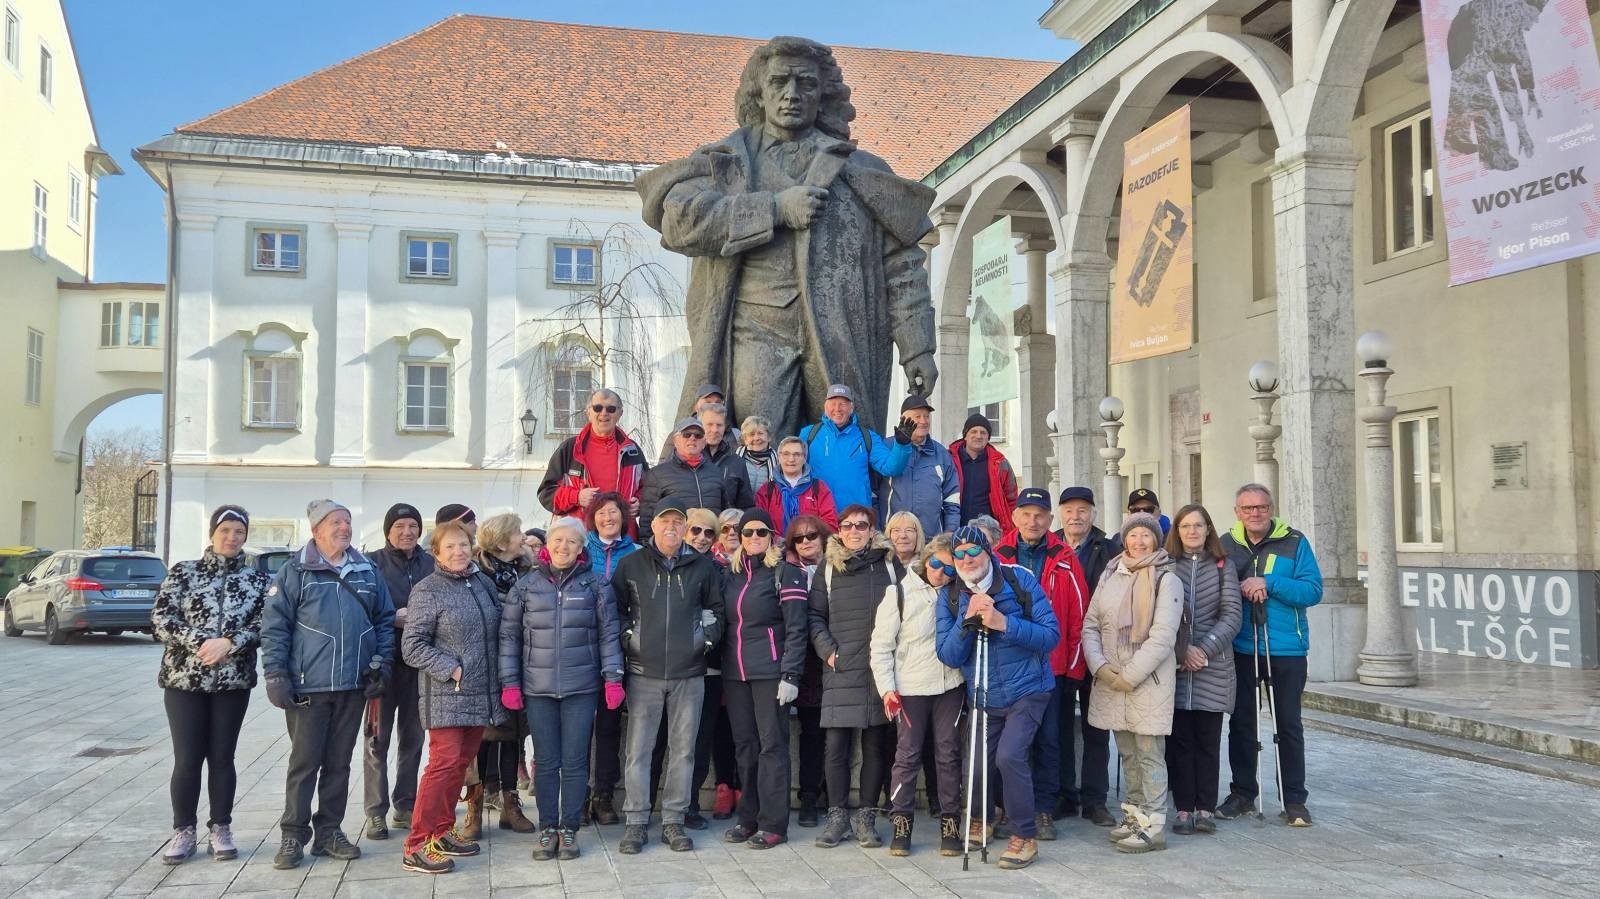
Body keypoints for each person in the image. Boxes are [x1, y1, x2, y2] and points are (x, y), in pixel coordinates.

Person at [636, 36, 939, 440]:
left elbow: (902, 264)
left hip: (842, 331)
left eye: (806, 84)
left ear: (823, 94)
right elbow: (679, 221)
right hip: (755, 327)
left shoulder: (862, 171)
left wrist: (918, 346)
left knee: (848, 451)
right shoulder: (725, 162)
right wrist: (774, 209)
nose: (791, 95)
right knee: (756, 446)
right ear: (759, 92)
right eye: (779, 82)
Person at [262, 500, 395, 870]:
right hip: (308, 687)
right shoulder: (295, 571)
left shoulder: (367, 569)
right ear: (316, 529)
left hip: (354, 685)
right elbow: (275, 627)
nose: (344, 527)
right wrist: (275, 674)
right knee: (304, 763)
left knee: (338, 764)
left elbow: (385, 620)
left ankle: (329, 832)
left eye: (348, 521)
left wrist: (381, 664)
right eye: (336, 521)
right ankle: (292, 834)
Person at [499, 517, 625, 861]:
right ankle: (547, 829)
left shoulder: (597, 586)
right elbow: (509, 638)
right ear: (546, 545)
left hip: (581, 688)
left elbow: (609, 635)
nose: (563, 547)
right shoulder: (525, 586)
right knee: (547, 760)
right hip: (537, 690)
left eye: (571, 541)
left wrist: (613, 678)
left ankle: (569, 827)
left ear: (582, 547)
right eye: (557, 540)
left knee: (574, 762)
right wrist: (510, 683)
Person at [935, 525, 1059, 870]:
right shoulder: (951, 596)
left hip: (1028, 689)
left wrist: (1004, 622)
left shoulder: (1018, 580)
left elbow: (1051, 636)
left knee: (1009, 757)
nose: (966, 559)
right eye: (958, 554)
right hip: (984, 693)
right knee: (975, 761)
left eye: (973, 552)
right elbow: (948, 655)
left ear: (988, 551)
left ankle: (1024, 835)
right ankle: (982, 817)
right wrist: (967, 620)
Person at [152, 505, 270, 865]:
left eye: (239, 532)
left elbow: (266, 622)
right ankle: (183, 829)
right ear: (212, 533)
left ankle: (221, 827)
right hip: (184, 680)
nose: (232, 538)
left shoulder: (257, 580)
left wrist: (231, 643)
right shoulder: (184, 573)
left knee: (222, 757)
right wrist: (200, 642)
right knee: (187, 758)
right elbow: (160, 618)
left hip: (232, 683)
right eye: (226, 530)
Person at [611, 498, 726, 854]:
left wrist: (703, 642)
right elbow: (617, 611)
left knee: (683, 752)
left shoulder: (702, 567)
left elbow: (717, 610)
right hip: (643, 673)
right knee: (638, 752)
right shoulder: (631, 565)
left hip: (689, 673)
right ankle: (636, 821)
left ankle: (674, 820)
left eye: (679, 522)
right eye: (666, 522)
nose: (672, 528)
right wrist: (630, 640)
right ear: (654, 526)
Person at [397, 520, 507, 875]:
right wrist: (452, 668)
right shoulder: (428, 590)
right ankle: (416, 843)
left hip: (479, 693)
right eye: (450, 547)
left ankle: (442, 832)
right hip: (448, 692)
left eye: (463, 544)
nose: (458, 552)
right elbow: (412, 646)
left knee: (460, 764)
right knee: (442, 766)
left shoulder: (482, 583)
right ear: (437, 553)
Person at [1216, 484, 1322, 827]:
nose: (1255, 513)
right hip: (1243, 646)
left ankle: (1294, 799)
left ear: (1271, 508)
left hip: (1286, 648)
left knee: (1288, 724)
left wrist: (1270, 583)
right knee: (1242, 724)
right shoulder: (1225, 544)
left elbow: (1312, 590)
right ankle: (1243, 792)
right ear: (1237, 512)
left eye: (1261, 507)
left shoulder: (1295, 541)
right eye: (1247, 508)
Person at [1080, 513, 1184, 853]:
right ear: (1124, 539)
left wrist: (1131, 674)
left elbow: (1163, 635)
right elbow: (1090, 625)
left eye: (1146, 536)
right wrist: (1101, 667)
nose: (1139, 542)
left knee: (1149, 752)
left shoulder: (1166, 578)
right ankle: (1135, 816)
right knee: (1126, 753)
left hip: (1147, 680)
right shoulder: (1111, 573)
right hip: (1112, 678)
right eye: (1133, 535)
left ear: (1156, 540)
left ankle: (1153, 824)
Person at [994, 488, 1090, 842]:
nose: (1032, 521)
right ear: (1015, 517)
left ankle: (1045, 808)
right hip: (1010, 667)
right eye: (1026, 514)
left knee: (1050, 740)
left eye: (1040, 515)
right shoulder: (998, 555)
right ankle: (1007, 806)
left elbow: (1079, 615)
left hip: (1052, 667)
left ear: (1050, 520)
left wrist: (1076, 668)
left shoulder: (1064, 556)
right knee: (1010, 744)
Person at [870, 533, 965, 858]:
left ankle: (951, 822)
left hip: (950, 685)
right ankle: (902, 823)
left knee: (949, 754)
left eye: (950, 568)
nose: (941, 572)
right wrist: (887, 690)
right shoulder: (898, 592)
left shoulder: (959, 593)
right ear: (926, 560)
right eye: (936, 563)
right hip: (910, 688)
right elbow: (881, 646)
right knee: (907, 755)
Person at [809, 504, 897, 849]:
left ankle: (866, 817)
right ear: (839, 530)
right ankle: (836, 815)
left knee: (875, 745)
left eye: (861, 525)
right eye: (847, 525)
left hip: (879, 668)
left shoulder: (889, 566)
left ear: (871, 529)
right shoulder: (828, 567)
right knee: (836, 746)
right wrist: (828, 650)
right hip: (840, 666)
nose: (854, 531)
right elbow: (814, 616)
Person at [720, 508, 809, 848]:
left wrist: (791, 674)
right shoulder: (730, 574)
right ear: (739, 537)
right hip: (736, 672)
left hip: (771, 672)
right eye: (747, 533)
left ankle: (773, 823)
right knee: (745, 747)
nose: (754, 538)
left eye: (761, 532)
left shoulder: (785, 572)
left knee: (772, 746)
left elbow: (797, 628)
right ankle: (748, 816)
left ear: (772, 536)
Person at [1165, 504, 1242, 835]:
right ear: (1177, 532)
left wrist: (1203, 649)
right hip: (1177, 667)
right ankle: (1183, 808)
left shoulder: (1224, 567)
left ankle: (1205, 808)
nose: (1192, 531)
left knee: (1208, 742)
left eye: (1199, 525)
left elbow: (1232, 615)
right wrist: (1182, 650)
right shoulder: (1167, 566)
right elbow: (1160, 613)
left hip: (1213, 667)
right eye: (1186, 526)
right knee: (1180, 742)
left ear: (1209, 529)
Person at [364, 503, 434, 841]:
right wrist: (392, 617)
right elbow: (362, 609)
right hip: (382, 666)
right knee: (377, 741)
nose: (407, 532)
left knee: (413, 739)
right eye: (399, 526)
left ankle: (405, 804)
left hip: (418, 667)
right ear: (388, 531)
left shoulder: (431, 563)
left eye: (412, 526)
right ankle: (375, 811)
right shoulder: (372, 563)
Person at [465, 512, 535, 837]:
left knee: (511, 735)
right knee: (479, 738)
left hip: (517, 663)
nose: (523, 538)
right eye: (518, 532)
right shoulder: (475, 571)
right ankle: (475, 807)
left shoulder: (527, 570)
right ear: (502, 539)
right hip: (481, 664)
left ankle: (511, 804)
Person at [1051, 486, 1118, 825]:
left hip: (1097, 650)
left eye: (1082, 510)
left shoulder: (1109, 549)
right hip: (1059, 650)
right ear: (1060, 514)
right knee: (1059, 726)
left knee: (1096, 727)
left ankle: (1095, 799)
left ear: (1092, 513)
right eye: (1069, 510)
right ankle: (1065, 794)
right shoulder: (1050, 548)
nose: (1075, 516)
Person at [582, 492, 639, 827]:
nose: (608, 518)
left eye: (614, 512)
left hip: (618, 648)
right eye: (602, 513)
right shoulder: (580, 548)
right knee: (578, 728)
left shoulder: (635, 552)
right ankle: (577, 796)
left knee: (607, 726)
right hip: (581, 647)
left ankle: (603, 794)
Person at [783, 514, 832, 827]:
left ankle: (833, 792)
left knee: (838, 734)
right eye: (798, 538)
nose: (806, 542)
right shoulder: (787, 570)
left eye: (811, 536)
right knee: (811, 731)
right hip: (806, 661)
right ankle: (810, 797)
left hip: (837, 656)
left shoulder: (837, 566)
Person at [538, 387, 649, 523]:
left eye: (611, 409)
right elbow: (546, 494)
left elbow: (650, 489)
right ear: (588, 412)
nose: (604, 413)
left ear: (620, 413)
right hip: (579, 537)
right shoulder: (570, 449)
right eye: (597, 408)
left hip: (622, 538)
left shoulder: (633, 451)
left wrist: (639, 503)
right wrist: (577, 497)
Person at [798, 384, 914, 513]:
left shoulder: (867, 437)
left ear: (851, 408)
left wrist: (902, 445)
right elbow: (793, 469)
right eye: (833, 403)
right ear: (825, 407)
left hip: (856, 521)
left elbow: (891, 468)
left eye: (843, 404)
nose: (837, 408)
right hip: (820, 517)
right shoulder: (808, 434)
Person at [638, 417, 742, 529]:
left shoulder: (716, 472)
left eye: (698, 435)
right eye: (687, 434)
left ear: (704, 442)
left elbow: (726, 511)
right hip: (677, 544)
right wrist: (647, 544)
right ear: (675, 440)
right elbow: (647, 518)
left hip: (711, 541)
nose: (692, 438)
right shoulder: (657, 474)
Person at [881, 394, 959, 538]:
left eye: (926, 416)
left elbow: (952, 497)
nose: (923, 421)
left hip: (931, 540)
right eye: (917, 417)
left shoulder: (941, 453)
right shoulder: (886, 448)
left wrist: (950, 531)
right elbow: (873, 492)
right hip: (894, 540)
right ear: (903, 419)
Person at [755, 437, 839, 533]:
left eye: (797, 454)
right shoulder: (767, 490)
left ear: (804, 458)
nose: (791, 459)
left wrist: (808, 538)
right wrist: (778, 542)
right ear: (779, 457)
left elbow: (830, 523)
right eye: (786, 454)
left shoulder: (819, 488)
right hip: (777, 547)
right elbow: (759, 525)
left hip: (809, 544)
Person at [950, 412, 1018, 526]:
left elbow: (1012, 498)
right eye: (974, 431)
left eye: (983, 432)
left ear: (988, 437)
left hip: (990, 531)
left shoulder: (1000, 464)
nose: (978, 436)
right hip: (956, 527)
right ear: (965, 435)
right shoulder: (949, 460)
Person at [700, 404, 755, 509]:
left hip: (726, 524)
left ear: (725, 427)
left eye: (719, 425)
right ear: (699, 425)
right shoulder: (687, 458)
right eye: (709, 424)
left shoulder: (737, 463)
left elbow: (746, 506)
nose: (715, 430)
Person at [735, 415, 777, 493]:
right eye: (752, 434)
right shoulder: (734, 459)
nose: (756, 438)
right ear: (745, 439)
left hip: (765, 505)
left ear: (769, 437)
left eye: (760, 433)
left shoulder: (778, 462)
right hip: (738, 505)